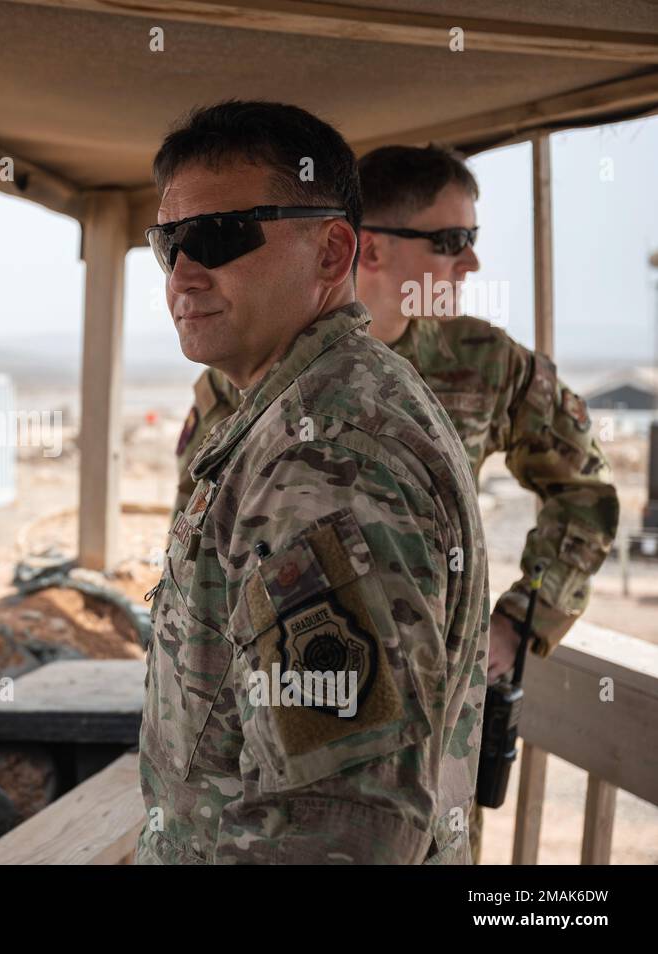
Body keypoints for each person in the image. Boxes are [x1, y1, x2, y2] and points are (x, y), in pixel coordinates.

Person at [170, 143, 620, 861]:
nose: (469, 264)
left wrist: (523, 617)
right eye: (452, 242)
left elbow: (584, 495)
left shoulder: (486, 361)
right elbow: (196, 554)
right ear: (367, 249)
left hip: (425, 745)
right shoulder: (245, 372)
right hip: (266, 746)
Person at [138, 101, 488, 864]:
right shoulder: (297, 412)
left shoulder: (326, 459)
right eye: (168, 244)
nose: (184, 273)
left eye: (219, 237)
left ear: (332, 254)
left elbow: (334, 829)